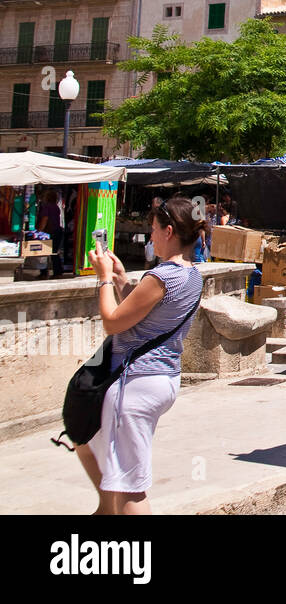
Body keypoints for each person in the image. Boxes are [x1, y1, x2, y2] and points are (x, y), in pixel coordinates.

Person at [75, 196, 206, 515]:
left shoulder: (161, 277)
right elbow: (146, 315)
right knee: (89, 443)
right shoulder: (192, 276)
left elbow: (111, 321)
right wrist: (121, 280)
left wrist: (104, 276)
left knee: (130, 489)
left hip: (136, 384)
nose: (151, 237)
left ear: (169, 231)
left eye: (154, 230)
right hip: (162, 378)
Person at [36, 189, 64, 278]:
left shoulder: (46, 207)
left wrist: (39, 231)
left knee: (43, 251)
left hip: (49, 232)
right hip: (57, 231)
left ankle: (44, 273)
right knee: (54, 252)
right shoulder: (56, 207)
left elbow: (45, 219)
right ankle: (58, 272)